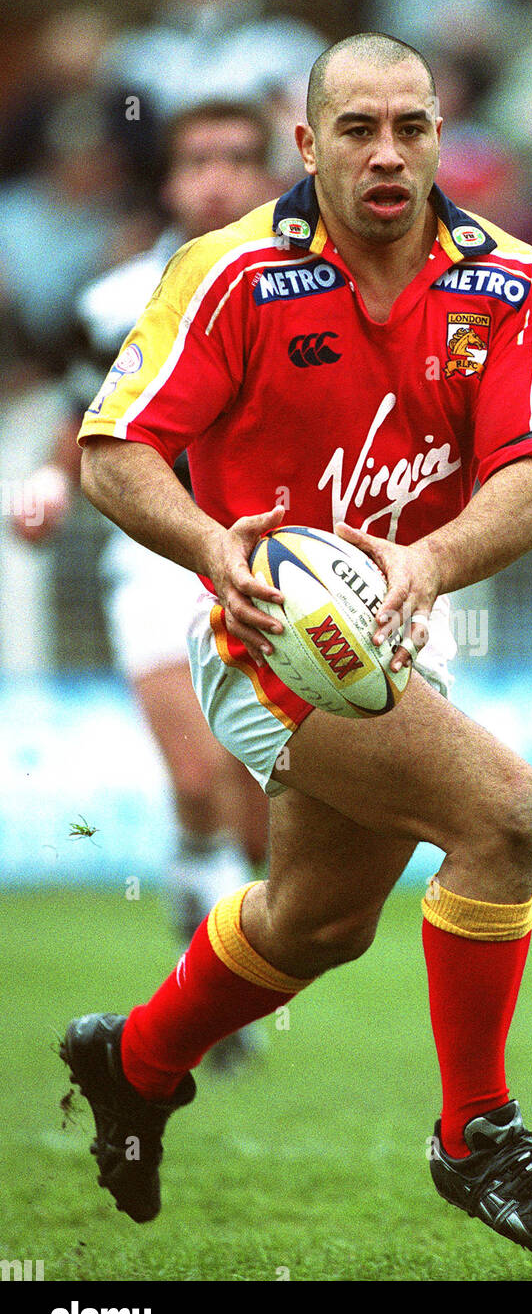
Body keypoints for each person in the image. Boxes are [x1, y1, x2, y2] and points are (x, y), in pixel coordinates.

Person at [60, 33, 532, 1256]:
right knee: (505, 818)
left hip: (393, 639)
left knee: (318, 922)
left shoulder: (507, 280)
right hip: (263, 633)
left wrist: (425, 561)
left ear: (436, 139)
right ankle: (476, 1136)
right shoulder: (234, 271)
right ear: (308, 146)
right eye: (355, 130)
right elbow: (114, 451)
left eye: (408, 127)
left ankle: (136, 1063)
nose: (385, 152)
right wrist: (212, 544)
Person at [16, 101, 279, 1068]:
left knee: (263, 821)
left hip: (272, 571)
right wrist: (50, 480)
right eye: (196, 160)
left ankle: (199, 905)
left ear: (267, 173)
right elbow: (83, 412)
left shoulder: (308, 285)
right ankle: (213, 1013)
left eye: (236, 159)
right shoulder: (117, 296)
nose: (215, 177)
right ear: (169, 181)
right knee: (197, 777)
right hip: (157, 561)